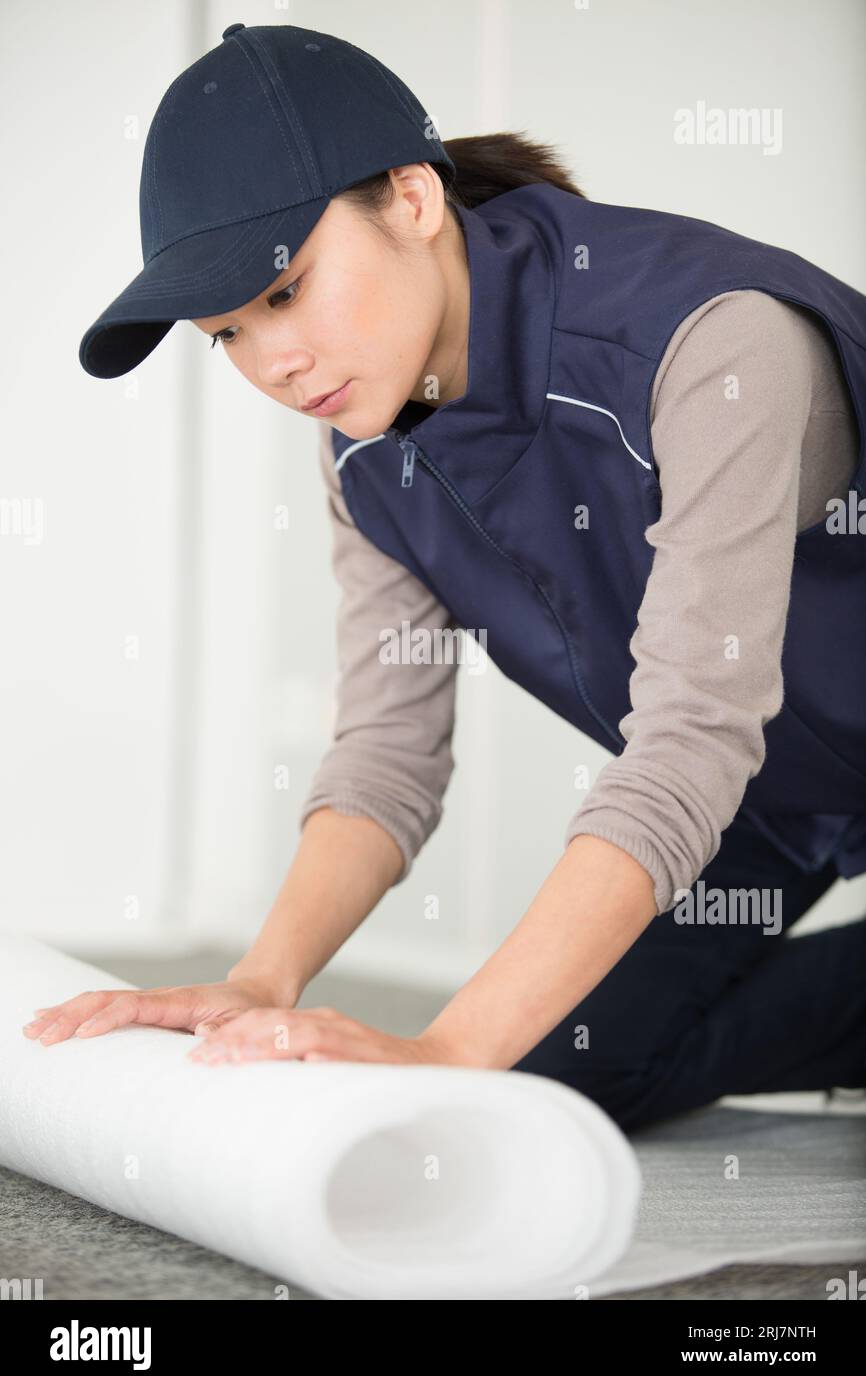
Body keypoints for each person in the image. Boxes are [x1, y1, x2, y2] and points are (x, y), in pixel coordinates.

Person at [26, 23, 866, 1134]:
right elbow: (386, 755)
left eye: (283, 292)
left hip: (729, 751)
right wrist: (262, 979)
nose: (270, 362)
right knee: (558, 1065)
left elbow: (687, 737)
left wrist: (447, 1048)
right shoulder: (362, 449)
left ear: (413, 200)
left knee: (481, 1046)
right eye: (225, 332)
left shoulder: (711, 345)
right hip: (776, 788)